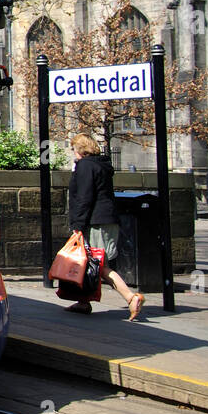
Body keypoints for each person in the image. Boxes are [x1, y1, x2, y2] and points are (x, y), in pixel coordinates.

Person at [66, 133, 144, 320]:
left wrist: (77, 224)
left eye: (74, 148)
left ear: (80, 149)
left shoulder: (85, 166)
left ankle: (130, 297)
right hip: (106, 220)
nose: (73, 153)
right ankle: (83, 302)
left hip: (96, 222)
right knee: (90, 263)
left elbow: (84, 197)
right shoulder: (101, 165)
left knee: (99, 265)